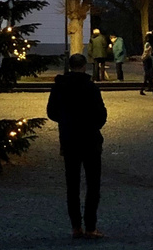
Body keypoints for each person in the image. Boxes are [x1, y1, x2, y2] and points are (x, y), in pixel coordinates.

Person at [46, 54, 107, 239]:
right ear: (84, 66)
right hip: (90, 139)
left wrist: (65, 122)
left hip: (69, 138)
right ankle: (90, 226)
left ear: (70, 66)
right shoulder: (91, 87)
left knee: (72, 185)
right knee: (93, 185)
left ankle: (76, 227)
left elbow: (51, 112)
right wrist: (93, 125)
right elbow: (101, 114)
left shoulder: (59, 87)